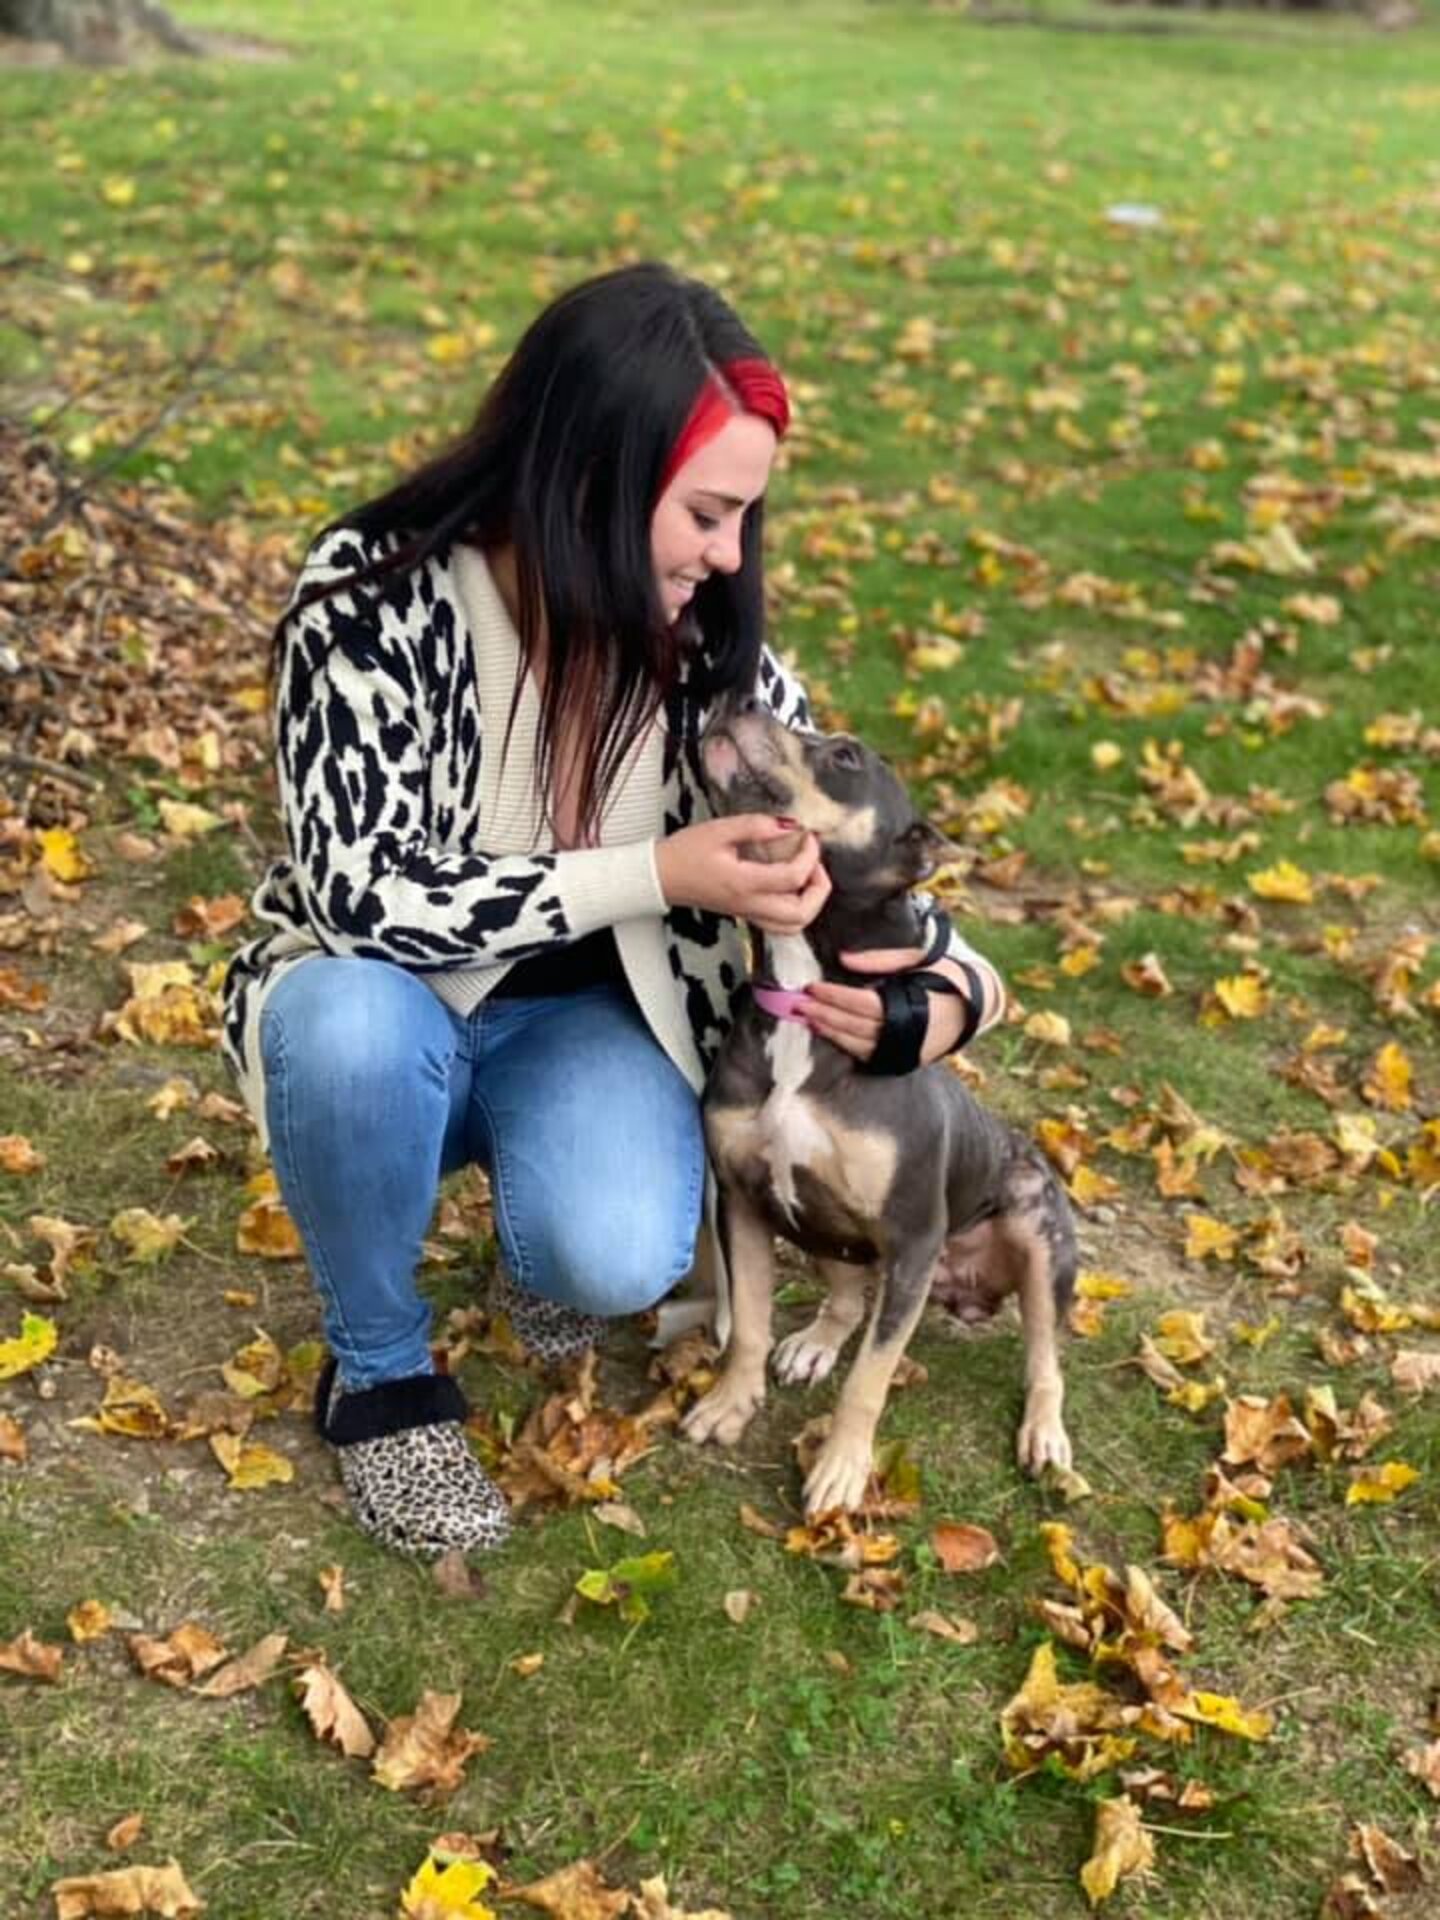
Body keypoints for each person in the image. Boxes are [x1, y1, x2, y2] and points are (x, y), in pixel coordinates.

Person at [220, 262, 1005, 1561]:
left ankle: (537, 1232)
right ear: (591, 472)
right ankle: (381, 1375)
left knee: (618, 1249)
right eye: (706, 511)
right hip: (384, 1001)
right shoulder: (375, 597)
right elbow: (363, 894)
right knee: (349, 1035)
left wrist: (950, 991)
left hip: (584, 1024)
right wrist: (660, 872)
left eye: (746, 515)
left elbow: (862, 835)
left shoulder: (703, 648)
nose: (730, 552)